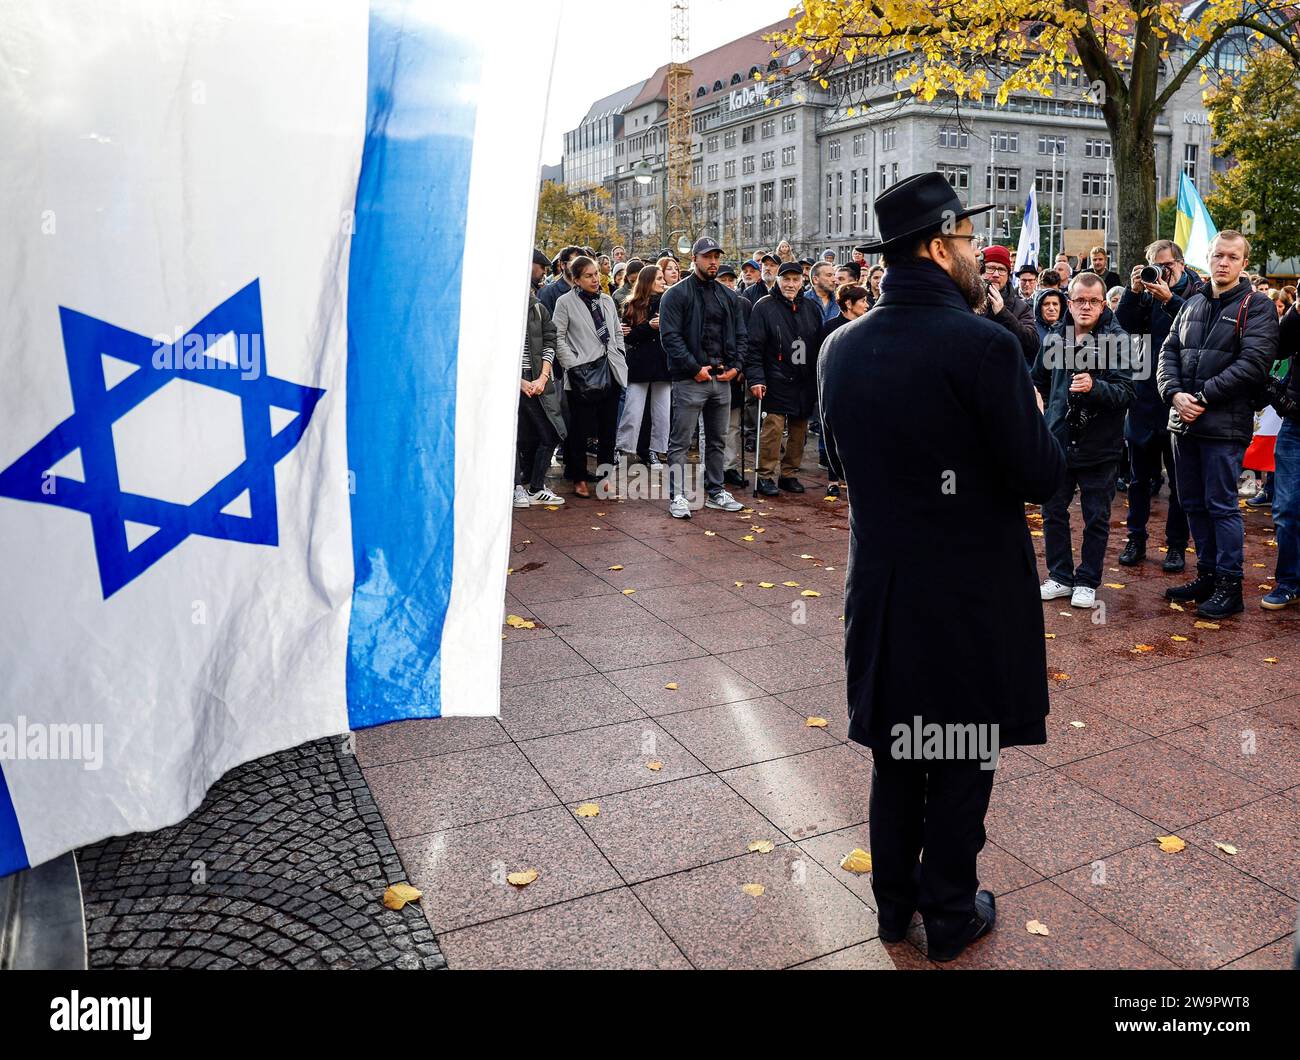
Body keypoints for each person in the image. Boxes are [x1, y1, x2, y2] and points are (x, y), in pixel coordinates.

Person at [819, 171, 1064, 963]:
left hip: (883, 588)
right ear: (936, 245)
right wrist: (1030, 409)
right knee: (960, 757)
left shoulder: (838, 347)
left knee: (901, 752)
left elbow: (836, 460)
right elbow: (1040, 474)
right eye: (965, 241)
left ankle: (895, 908)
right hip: (968, 593)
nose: (977, 258)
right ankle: (950, 912)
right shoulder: (985, 345)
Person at [1158, 230, 1278, 617]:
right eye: (1217, 256)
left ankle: (1230, 584)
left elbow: (1253, 364)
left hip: (1224, 424)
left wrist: (1203, 396)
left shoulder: (1256, 305)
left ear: (1244, 263)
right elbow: (1168, 351)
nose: (1223, 262)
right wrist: (1174, 393)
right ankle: (1208, 574)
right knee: (1191, 501)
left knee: (1221, 506)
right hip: (1184, 421)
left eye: (1231, 256)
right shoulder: (1191, 300)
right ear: (1207, 258)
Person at [1033, 273, 1136, 608]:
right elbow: (1040, 380)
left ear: (1103, 304)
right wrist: (1051, 412)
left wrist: (1095, 388)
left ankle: (1088, 580)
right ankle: (1061, 576)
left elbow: (1127, 393)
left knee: (1096, 516)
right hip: (1059, 441)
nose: (1086, 306)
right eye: (1080, 300)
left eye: (1093, 301)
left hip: (1100, 446)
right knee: (1053, 511)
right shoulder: (1055, 336)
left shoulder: (1119, 340)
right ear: (1070, 300)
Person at [1114, 238, 1200, 570]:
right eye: (1154, 266)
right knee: (1138, 479)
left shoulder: (1196, 293)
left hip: (1178, 397)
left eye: (1166, 267)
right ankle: (1135, 539)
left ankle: (1176, 545)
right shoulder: (1144, 294)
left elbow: (1196, 329)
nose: (1160, 273)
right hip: (1143, 397)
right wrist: (1134, 291)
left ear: (1180, 264)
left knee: (1179, 482)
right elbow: (1121, 328)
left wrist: (1170, 299)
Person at [658, 235, 748, 517]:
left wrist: (736, 367)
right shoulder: (675, 294)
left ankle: (716, 490)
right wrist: (694, 369)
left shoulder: (728, 296)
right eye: (707, 257)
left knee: (717, 439)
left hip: (721, 378)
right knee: (680, 442)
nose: (713, 262)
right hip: (690, 379)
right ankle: (678, 496)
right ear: (694, 258)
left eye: (716, 257)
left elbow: (742, 336)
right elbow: (670, 337)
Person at [745, 260, 824, 496]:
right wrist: (756, 378)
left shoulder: (811, 308)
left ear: (803, 281)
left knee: (799, 431)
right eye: (786, 279)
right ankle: (765, 475)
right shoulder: (764, 306)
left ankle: (789, 473)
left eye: (795, 279)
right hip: (775, 378)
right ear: (778, 280)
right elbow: (754, 347)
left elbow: (817, 344)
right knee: (773, 429)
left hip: (803, 379)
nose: (791, 284)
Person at [553, 255, 628, 499]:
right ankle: (579, 477)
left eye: (596, 274)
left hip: (610, 370)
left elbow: (616, 330)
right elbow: (557, 336)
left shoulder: (606, 300)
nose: (595, 279)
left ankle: (605, 478)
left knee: (608, 429)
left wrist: (619, 353)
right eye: (588, 275)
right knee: (580, 429)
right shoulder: (565, 302)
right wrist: (573, 364)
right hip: (582, 374)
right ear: (575, 279)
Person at [515, 286, 568, 508]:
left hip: (538, 380)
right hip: (512, 384)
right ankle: (517, 487)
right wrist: (519, 381)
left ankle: (535, 487)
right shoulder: (497, 308)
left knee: (550, 433)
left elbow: (550, 339)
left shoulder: (537, 307)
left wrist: (543, 376)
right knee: (514, 438)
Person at [615, 265, 671, 468]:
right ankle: (622, 448)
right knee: (633, 409)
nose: (662, 282)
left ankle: (655, 451)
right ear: (647, 281)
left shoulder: (669, 302)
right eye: (658, 278)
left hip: (663, 364)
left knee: (662, 412)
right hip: (639, 364)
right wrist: (650, 327)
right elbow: (629, 336)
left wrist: (653, 328)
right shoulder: (633, 304)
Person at [820, 282, 869, 498]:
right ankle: (833, 480)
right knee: (836, 435)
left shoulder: (868, 326)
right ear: (849, 303)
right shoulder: (830, 328)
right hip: (837, 388)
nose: (867, 305)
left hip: (862, 388)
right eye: (863, 301)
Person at [976, 244, 1040, 366]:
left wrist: (1003, 313)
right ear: (981, 270)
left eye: (1001, 270)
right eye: (990, 268)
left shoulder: (1021, 307)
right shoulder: (966, 300)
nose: (996, 274)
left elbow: (1032, 346)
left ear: (1008, 275)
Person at [539, 245, 582, 313]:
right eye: (574, 262)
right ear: (562, 265)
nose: (579, 267)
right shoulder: (547, 292)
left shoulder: (588, 290)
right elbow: (547, 322)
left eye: (582, 263)